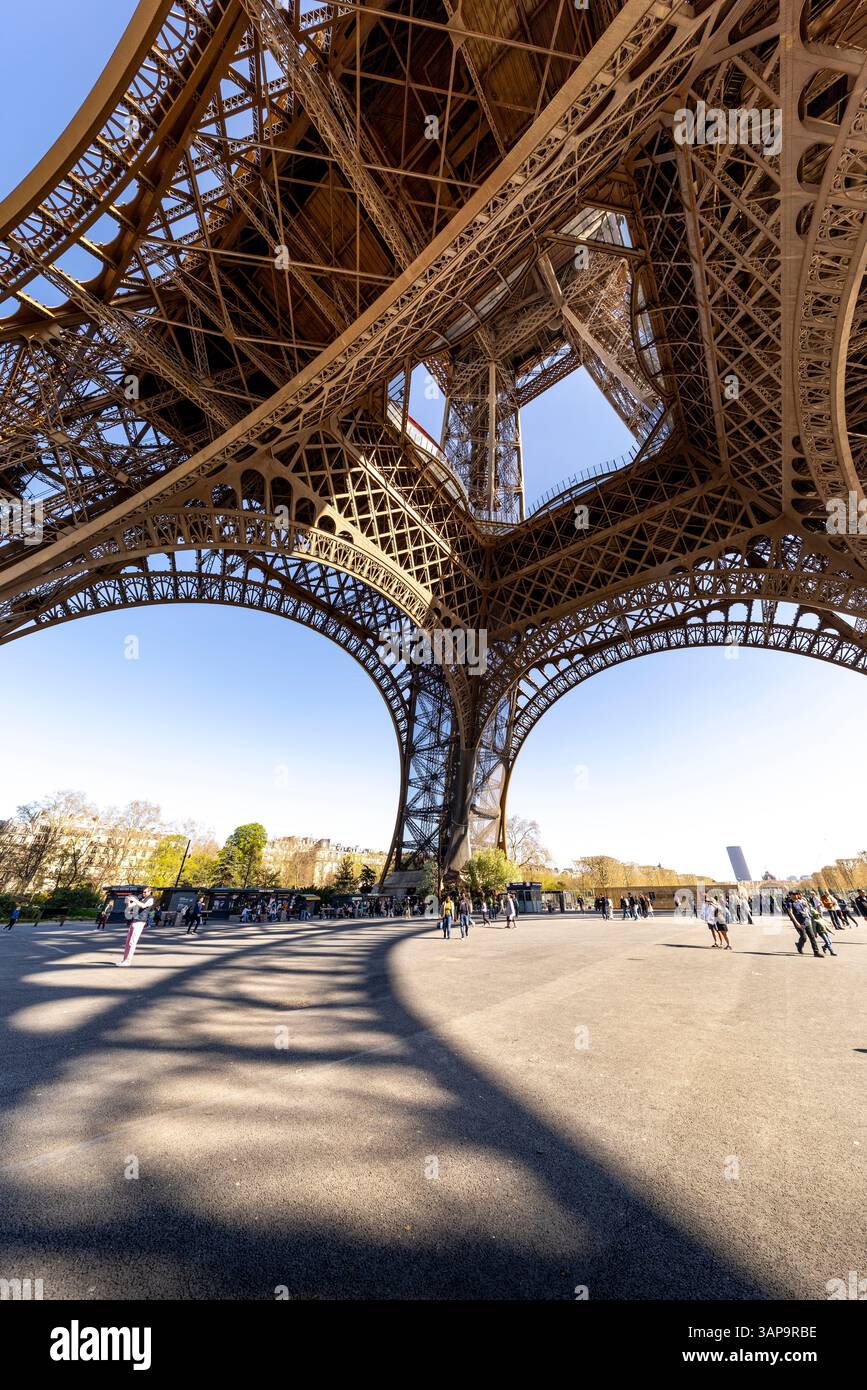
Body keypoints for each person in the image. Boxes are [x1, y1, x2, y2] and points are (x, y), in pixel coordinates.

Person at [117, 888, 154, 966]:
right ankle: (124, 960)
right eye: (143, 892)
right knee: (128, 941)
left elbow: (143, 905)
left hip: (140, 921)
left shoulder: (150, 899)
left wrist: (135, 900)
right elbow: (129, 906)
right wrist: (127, 901)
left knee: (132, 942)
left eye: (145, 892)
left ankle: (128, 961)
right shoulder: (141, 898)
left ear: (149, 892)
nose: (143, 893)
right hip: (134, 920)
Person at [786, 893, 822, 958]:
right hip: (799, 923)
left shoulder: (800, 901)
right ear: (791, 895)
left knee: (812, 936)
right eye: (794, 895)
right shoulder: (790, 903)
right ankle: (799, 946)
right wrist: (796, 922)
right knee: (804, 937)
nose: (796, 896)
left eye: (797, 894)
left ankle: (816, 952)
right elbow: (790, 913)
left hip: (806, 921)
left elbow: (806, 910)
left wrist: (807, 906)